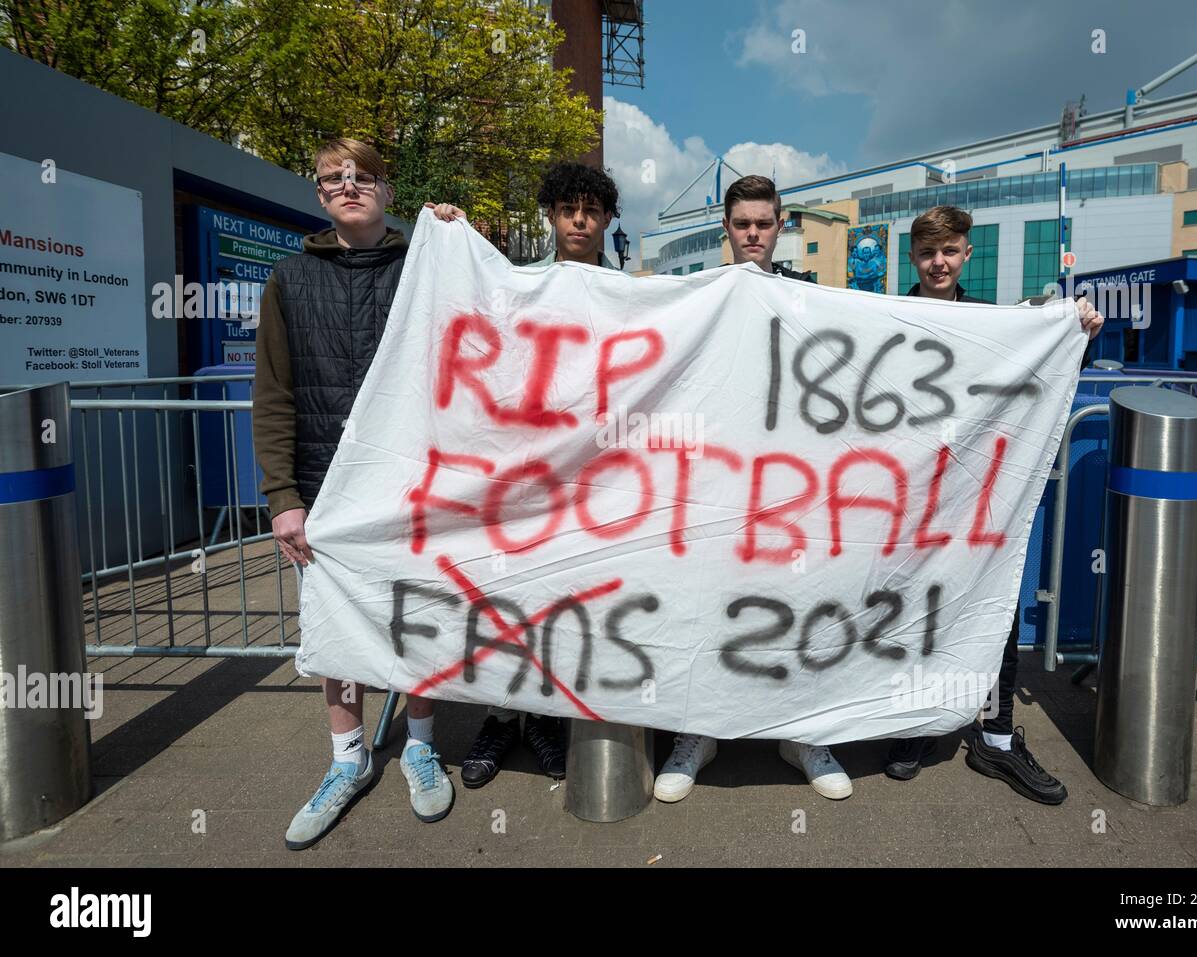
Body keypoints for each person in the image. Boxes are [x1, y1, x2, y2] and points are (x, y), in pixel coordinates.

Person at [254, 137, 453, 849]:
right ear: (317, 193)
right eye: (333, 175)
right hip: (325, 491)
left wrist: (461, 238)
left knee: (419, 618)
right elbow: (273, 395)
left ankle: (422, 743)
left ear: (387, 190)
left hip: (412, 485)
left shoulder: (427, 266)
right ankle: (349, 760)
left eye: (363, 175)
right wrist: (283, 495)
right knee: (337, 633)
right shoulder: (288, 279)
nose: (348, 184)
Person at [882, 205, 1102, 804]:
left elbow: (1040, 365)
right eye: (928, 252)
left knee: (993, 610)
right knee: (913, 614)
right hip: (909, 503)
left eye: (950, 251)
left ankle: (997, 737)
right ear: (913, 258)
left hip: (977, 503)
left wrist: (1074, 330)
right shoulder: (886, 317)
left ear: (967, 254)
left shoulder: (990, 323)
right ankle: (914, 726)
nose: (939, 262)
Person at [652, 174, 853, 804]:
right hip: (709, 483)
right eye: (742, 225)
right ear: (726, 230)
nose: (752, 235)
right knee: (704, 604)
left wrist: (1053, 323)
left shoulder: (805, 300)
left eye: (764, 224)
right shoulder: (693, 297)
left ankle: (803, 733)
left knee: (792, 602)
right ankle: (697, 733)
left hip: (784, 488)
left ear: (781, 225)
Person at [427, 162, 622, 789]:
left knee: (566, 599)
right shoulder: (520, 285)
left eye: (592, 211)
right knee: (510, 592)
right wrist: (454, 234)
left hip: (595, 481)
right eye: (569, 209)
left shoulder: (633, 297)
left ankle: (543, 716)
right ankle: (500, 715)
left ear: (608, 221)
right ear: (552, 215)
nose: (580, 221)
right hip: (521, 475)